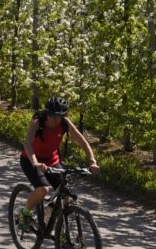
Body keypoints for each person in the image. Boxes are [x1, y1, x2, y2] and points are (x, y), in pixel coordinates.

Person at [19, 96, 99, 229]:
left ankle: (58, 229)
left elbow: (82, 142)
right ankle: (24, 214)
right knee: (43, 189)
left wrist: (92, 162)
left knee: (65, 195)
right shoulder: (38, 121)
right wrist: (35, 163)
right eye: (51, 115)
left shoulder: (64, 123)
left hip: (51, 160)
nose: (53, 119)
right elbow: (27, 143)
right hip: (30, 160)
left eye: (58, 116)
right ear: (47, 113)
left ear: (63, 116)